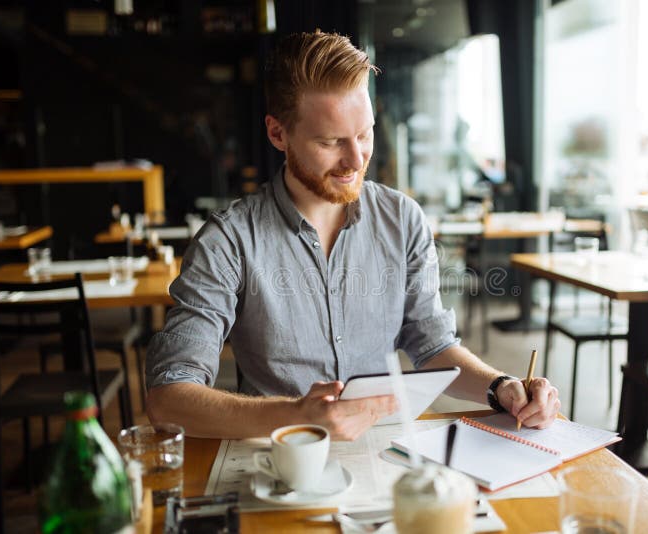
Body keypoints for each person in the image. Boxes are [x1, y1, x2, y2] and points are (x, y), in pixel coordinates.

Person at [145, 31, 561, 441]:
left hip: (388, 451)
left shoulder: (403, 219)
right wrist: (296, 414)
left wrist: (501, 386)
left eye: (364, 134)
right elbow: (167, 398)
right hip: (281, 463)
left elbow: (432, 347)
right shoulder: (227, 242)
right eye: (330, 142)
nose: (357, 159)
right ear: (278, 134)